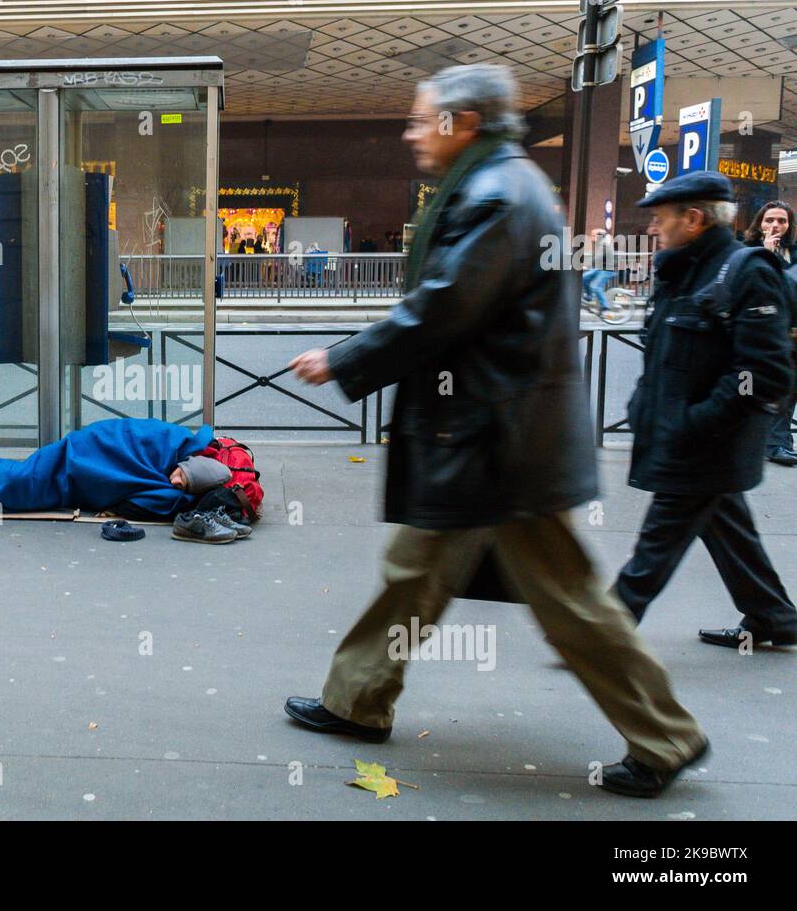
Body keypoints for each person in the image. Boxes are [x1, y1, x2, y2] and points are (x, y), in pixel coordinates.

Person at [283, 63, 707, 798]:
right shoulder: (504, 185)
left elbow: (443, 307)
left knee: (566, 599)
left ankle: (666, 737)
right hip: (490, 436)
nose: (411, 133)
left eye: (422, 120)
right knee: (414, 575)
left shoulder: (497, 196)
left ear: (463, 123)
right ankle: (356, 698)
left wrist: (345, 358)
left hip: (499, 445)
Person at [611, 173, 797, 649]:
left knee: (655, 547)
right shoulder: (682, 271)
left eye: (660, 219)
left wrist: (697, 423)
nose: (653, 229)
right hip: (686, 437)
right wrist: (643, 407)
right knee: (726, 524)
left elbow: (764, 373)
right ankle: (774, 617)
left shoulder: (745, 270)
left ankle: (600, 635)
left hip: (703, 445)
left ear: (693, 219)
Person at [742, 200, 797, 465]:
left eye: (782, 221)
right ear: (759, 223)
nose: (776, 225)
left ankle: (778, 443)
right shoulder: (746, 251)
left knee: (788, 388)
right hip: (753, 333)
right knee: (747, 386)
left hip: (789, 331)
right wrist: (766, 254)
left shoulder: (794, 253)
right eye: (770, 220)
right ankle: (743, 437)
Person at [581, 228, 617, 312]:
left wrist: (587, 266)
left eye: (593, 235)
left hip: (607, 269)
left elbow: (598, 257)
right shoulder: (599, 243)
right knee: (584, 278)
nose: (591, 237)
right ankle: (589, 297)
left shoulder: (603, 244)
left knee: (595, 286)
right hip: (599, 268)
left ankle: (605, 305)